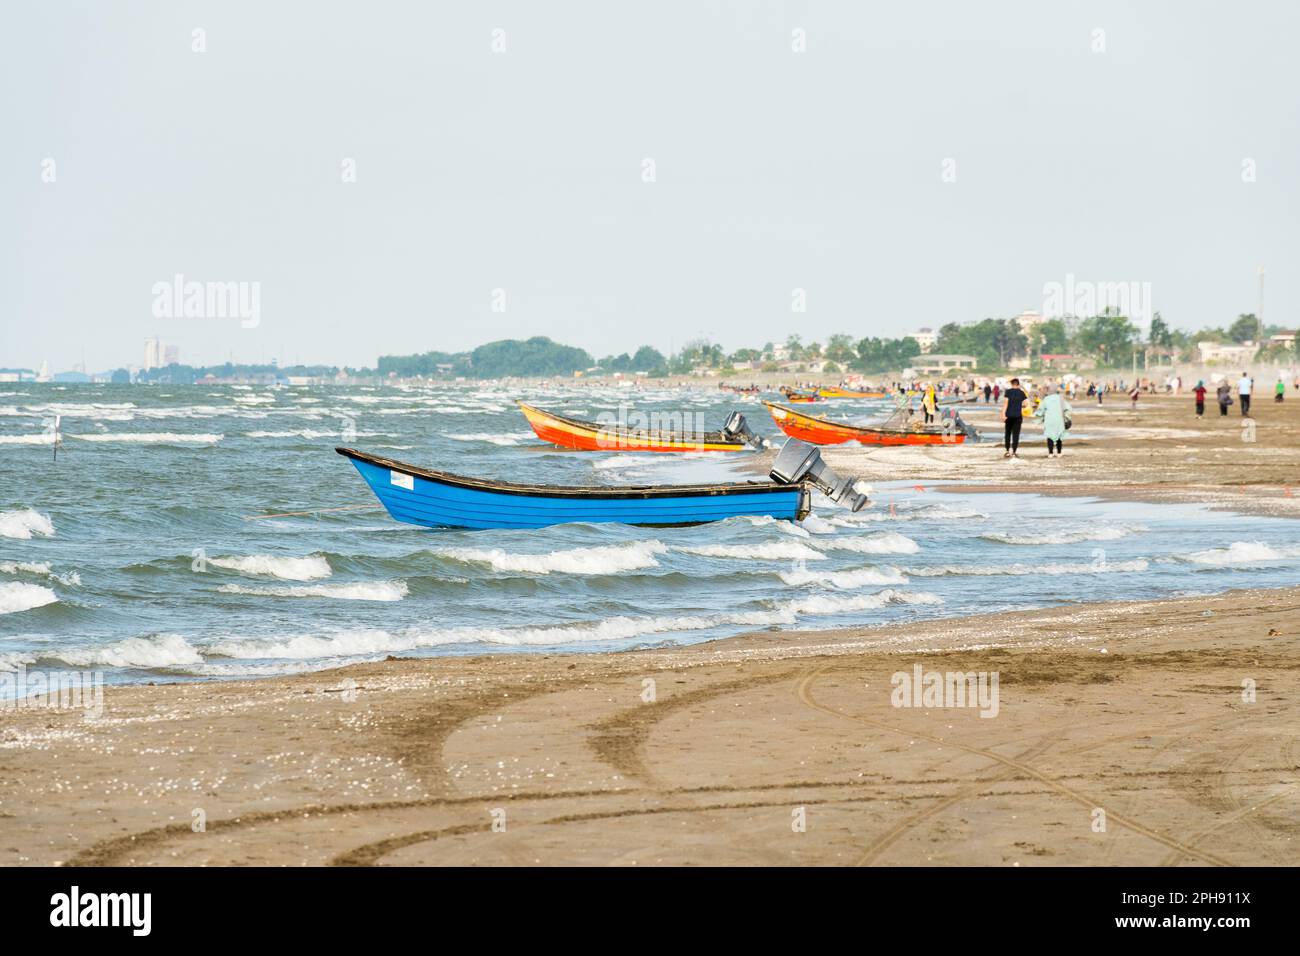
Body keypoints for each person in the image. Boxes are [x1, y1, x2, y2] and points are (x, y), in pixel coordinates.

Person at [1036, 384, 1072, 456]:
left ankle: (1050, 453)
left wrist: (1039, 417)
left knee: (1050, 435)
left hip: (1049, 420)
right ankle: (1059, 453)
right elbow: (1068, 408)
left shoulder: (1046, 399)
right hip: (1059, 420)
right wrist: (1067, 416)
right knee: (1059, 435)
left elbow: (1040, 410)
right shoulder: (1060, 398)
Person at [1000, 377, 1028, 459]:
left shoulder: (1008, 392)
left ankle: (1007, 451)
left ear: (1011, 384)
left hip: (1008, 415)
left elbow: (1005, 404)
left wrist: (1003, 415)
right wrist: (1020, 406)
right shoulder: (1021, 393)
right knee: (1016, 434)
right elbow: (1026, 404)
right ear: (1018, 384)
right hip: (1017, 416)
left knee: (1007, 433)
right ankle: (1014, 452)